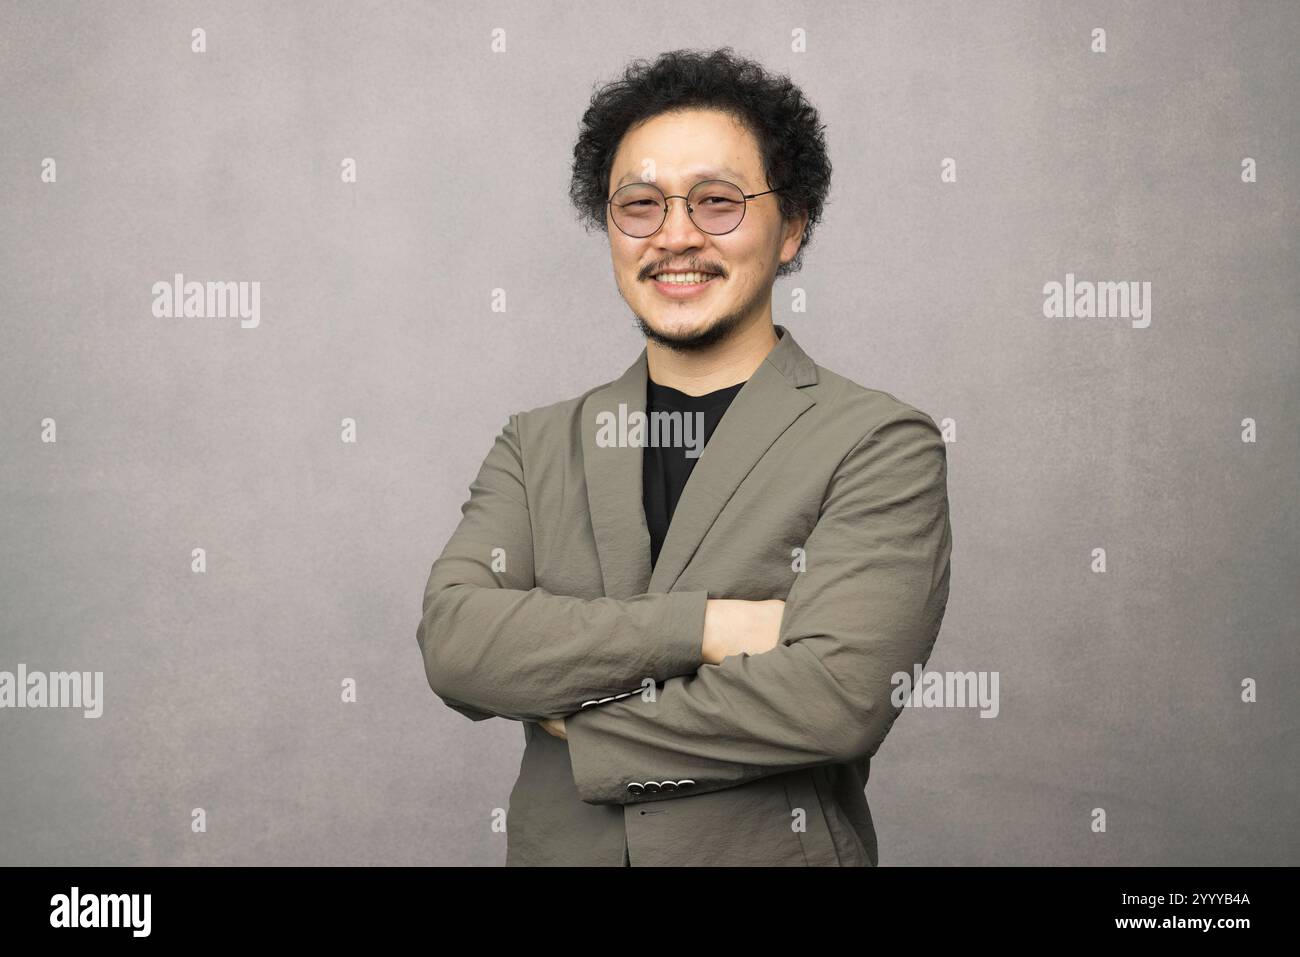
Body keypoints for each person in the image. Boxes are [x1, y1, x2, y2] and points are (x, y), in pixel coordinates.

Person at [416, 48, 952, 866]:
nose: (676, 236)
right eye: (640, 205)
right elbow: (456, 643)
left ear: (793, 225)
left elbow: (837, 697)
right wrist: (706, 626)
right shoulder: (537, 443)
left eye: (717, 201)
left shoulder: (877, 442)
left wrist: (581, 722)